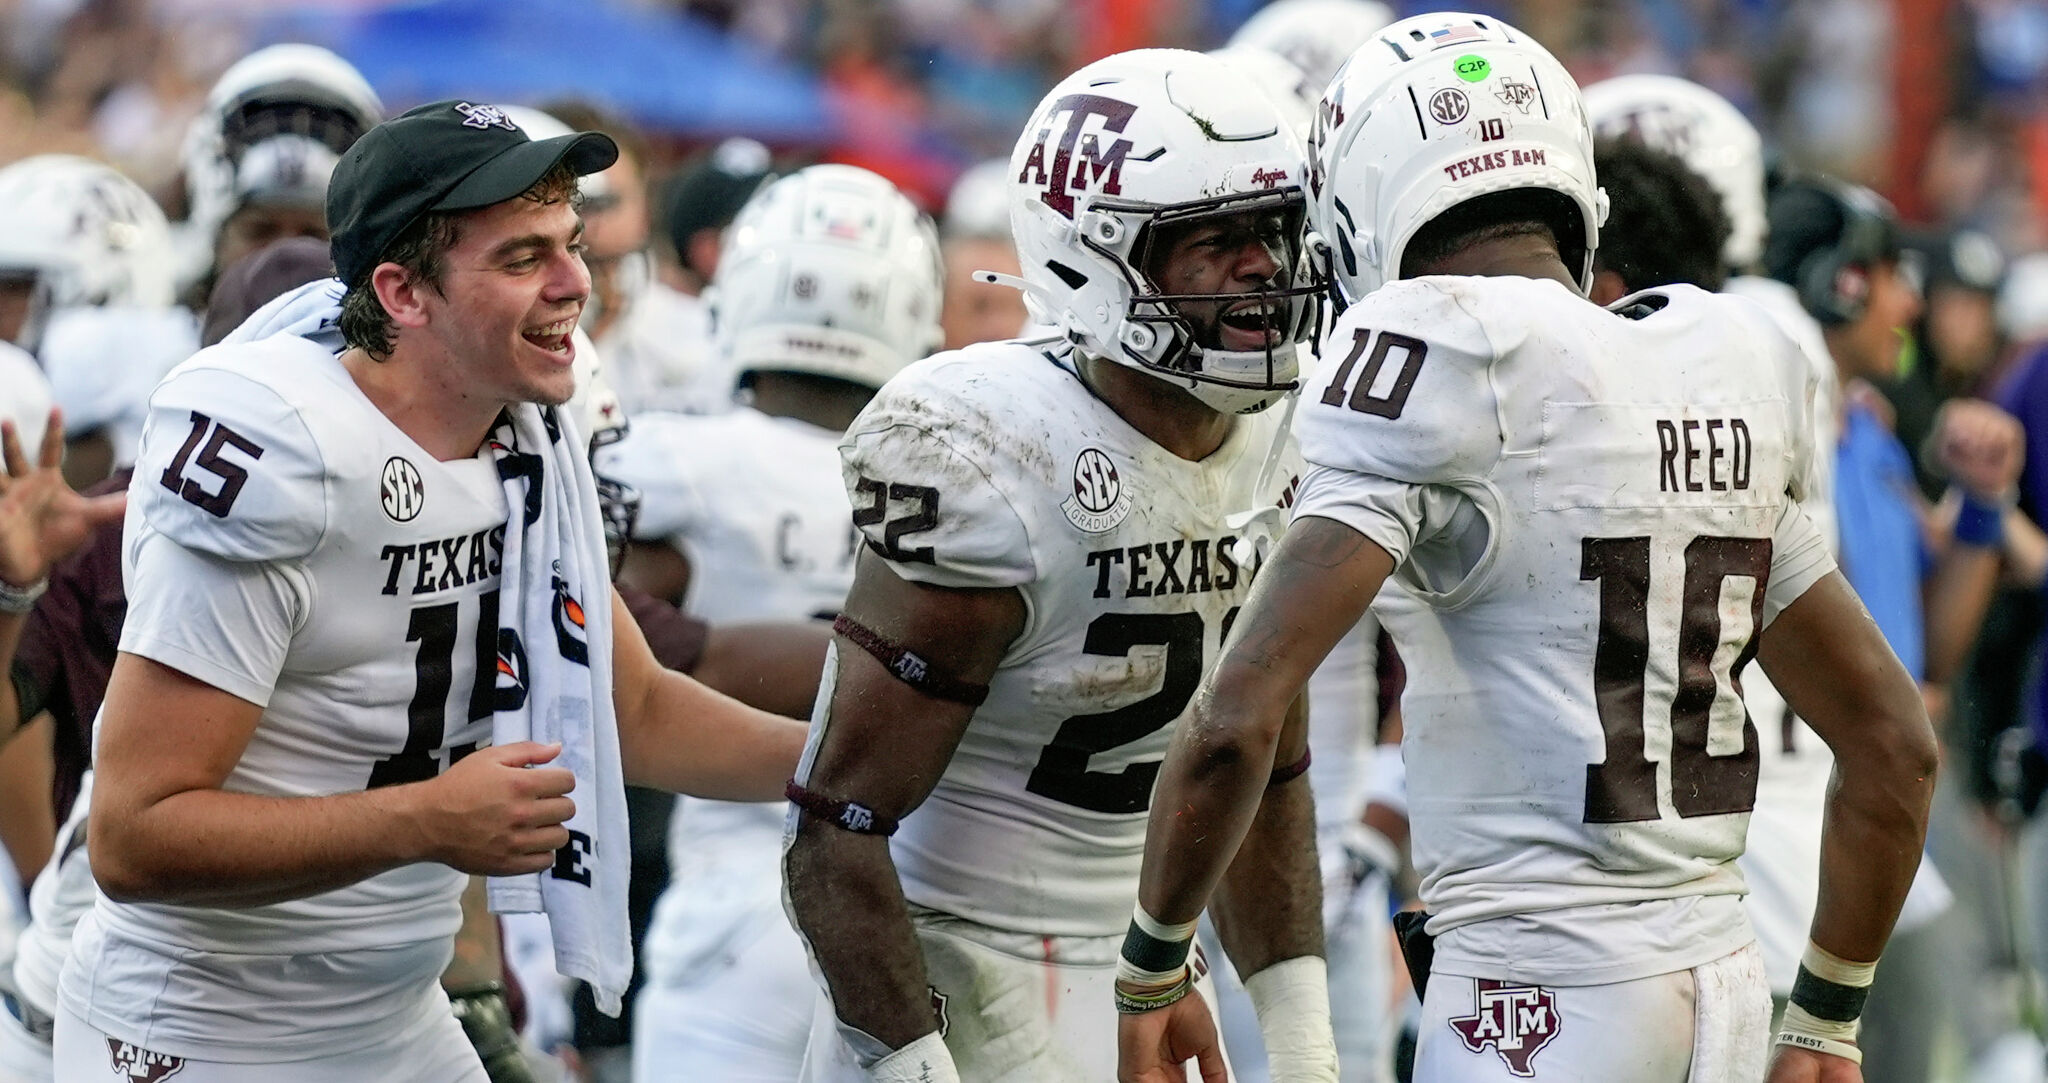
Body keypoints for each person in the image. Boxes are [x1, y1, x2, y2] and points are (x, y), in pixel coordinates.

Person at [1119, 14, 1938, 1083]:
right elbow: (1891, 744)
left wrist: (1150, 967)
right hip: (1728, 983)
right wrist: (1826, 1013)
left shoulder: (1428, 346)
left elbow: (1236, 720)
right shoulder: (1733, 350)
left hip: (1535, 991)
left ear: (1367, 191)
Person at [43, 100, 807, 1082]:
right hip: (206, 1033)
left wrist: (867, 773)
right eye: (522, 258)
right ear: (402, 292)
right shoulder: (289, 455)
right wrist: (427, 820)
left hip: (391, 1011)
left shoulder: (524, 438)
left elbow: (635, 711)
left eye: (571, 246)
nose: (577, 285)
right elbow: (137, 834)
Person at [782, 48, 1331, 1082]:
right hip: (957, 972)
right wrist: (911, 1065)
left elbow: (1259, 762)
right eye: (1211, 242)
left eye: (1271, 231)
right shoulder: (991, 450)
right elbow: (834, 836)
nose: (1262, 266)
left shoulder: (1286, 432)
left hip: (1153, 968)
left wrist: (1304, 1049)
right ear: (1093, 260)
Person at [609, 163, 943, 1082]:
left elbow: (587, 613)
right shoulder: (954, 481)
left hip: (734, 899)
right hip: (910, 907)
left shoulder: (679, 458)